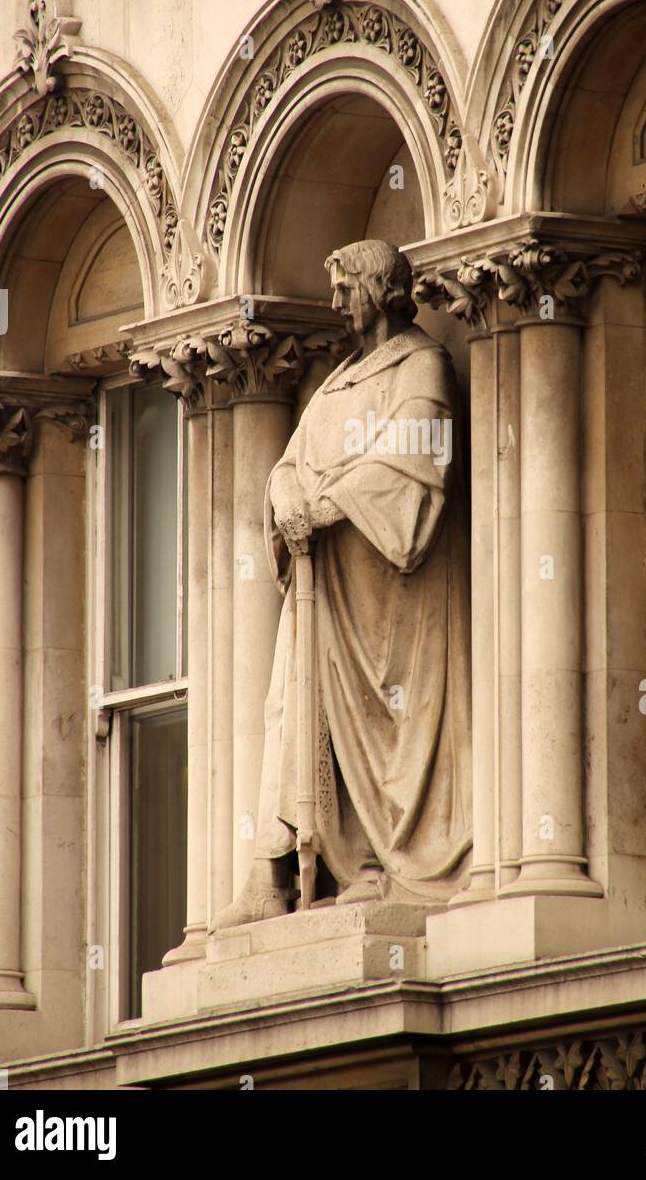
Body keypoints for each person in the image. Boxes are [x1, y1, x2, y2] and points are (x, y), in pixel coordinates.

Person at [212, 239, 471, 928]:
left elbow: (418, 461)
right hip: (323, 593)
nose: (333, 303)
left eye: (344, 286)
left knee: (380, 723)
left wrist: (328, 504)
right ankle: (280, 869)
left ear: (383, 290)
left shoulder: (423, 366)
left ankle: (374, 863)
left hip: (391, 608)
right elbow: (289, 463)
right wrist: (289, 495)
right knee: (287, 712)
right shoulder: (336, 383)